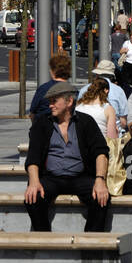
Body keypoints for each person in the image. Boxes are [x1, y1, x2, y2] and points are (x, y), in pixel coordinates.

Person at [24, 82, 109, 232]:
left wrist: (100, 179)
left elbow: (101, 152)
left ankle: (91, 245)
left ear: (69, 102)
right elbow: (33, 156)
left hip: (80, 177)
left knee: (101, 199)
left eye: (54, 101)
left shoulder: (86, 122)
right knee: (33, 198)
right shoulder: (42, 123)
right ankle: (44, 239)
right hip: (51, 177)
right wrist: (34, 181)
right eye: (49, 102)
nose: (50, 105)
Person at [77, 60, 129, 130]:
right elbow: (123, 122)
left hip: (86, 132)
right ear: (112, 76)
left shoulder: (84, 89)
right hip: (111, 134)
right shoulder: (119, 91)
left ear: (97, 74)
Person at [29, 52, 73, 122]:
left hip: (43, 128)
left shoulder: (43, 89)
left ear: (53, 71)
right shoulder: (73, 91)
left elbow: (32, 112)